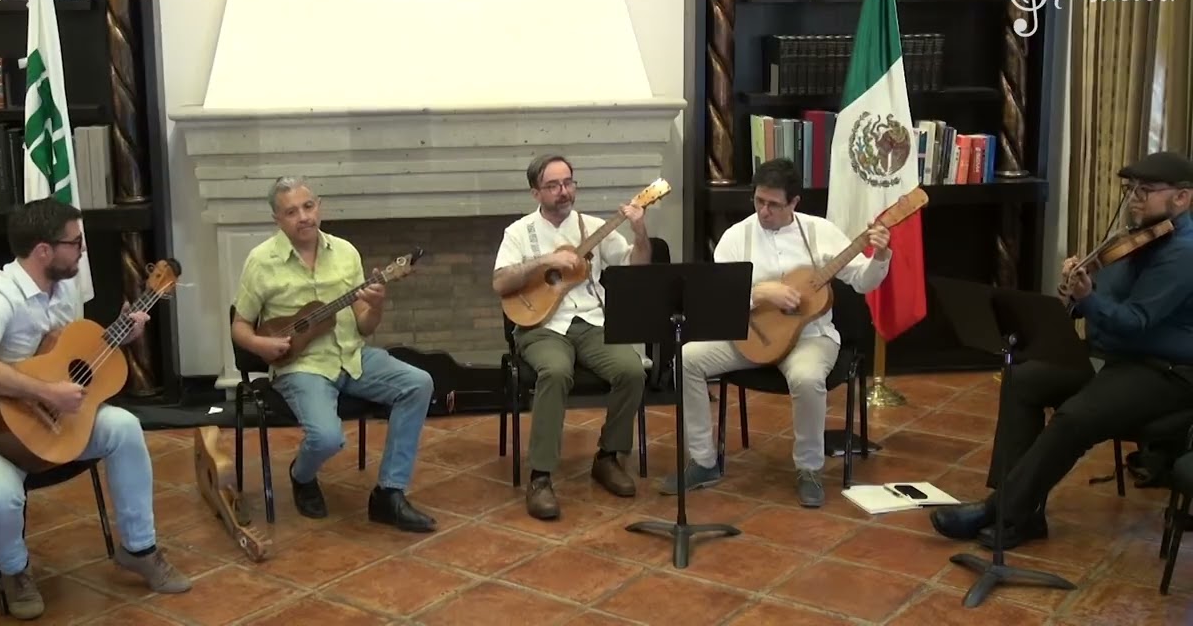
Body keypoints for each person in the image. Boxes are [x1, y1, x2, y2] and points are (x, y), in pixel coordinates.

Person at [0, 198, 191, 621]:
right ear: (43, 251)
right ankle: (15, 570)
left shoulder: (66, 285)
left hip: (51, 421)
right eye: (75, 243)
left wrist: (120, 337)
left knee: (126, 428)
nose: (83, 250)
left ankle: (139, 548)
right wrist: (47, 392)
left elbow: (69, 353)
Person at [932, 150, 1193, 549]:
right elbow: (1109, 301)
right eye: (1131, 189)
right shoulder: (1142, 238)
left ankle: (1000, 510)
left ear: (1182, 198)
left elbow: (1135, 321)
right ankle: (1023, 514)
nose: (1135, 198)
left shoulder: (1183, 254)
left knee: (1075, 418)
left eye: (1147, 190)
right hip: (1117, 357)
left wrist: (1089, 301)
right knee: (1024, 380)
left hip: (1164, 371)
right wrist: (1077, 293)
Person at [659, 159, 891, 508]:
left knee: (807, 377)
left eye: (774, 204)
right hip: (750, 333)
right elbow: (719, 299)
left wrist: (881, 255)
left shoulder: (820, 232)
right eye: (758, 202)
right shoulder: (737, 236)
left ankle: (809, 469)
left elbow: (863, 281)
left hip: (810, 337)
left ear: (795, 203)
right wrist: (760, 294)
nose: (764, 211)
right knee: (687, 358)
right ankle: (704, 462)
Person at [231, 177, 436, 533]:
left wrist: (376, 305)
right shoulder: (261, 261)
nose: (303, 217)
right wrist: (261, 346)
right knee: (327, 438)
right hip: (301, 366)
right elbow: (240, 326)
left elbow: (365, 326)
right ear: (278, 219)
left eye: (308, 207)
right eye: (291, 212)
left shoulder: (346, 252)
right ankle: (301, 474)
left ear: (319, 206)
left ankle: (389, 493)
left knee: (419, 383)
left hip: (353, 356)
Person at [492, 154, 652, 520]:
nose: (563, 192)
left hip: (592, 322)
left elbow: (636, 268)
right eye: (553, 185)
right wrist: (545, 262)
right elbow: (500, 282)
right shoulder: (519, 233)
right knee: (555, 372)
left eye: (568, 183)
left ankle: (609, 456)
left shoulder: (593, 227)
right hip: (541, 327)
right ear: (536, 193)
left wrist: (640, 231)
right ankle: (542, 476)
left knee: (631, 370)